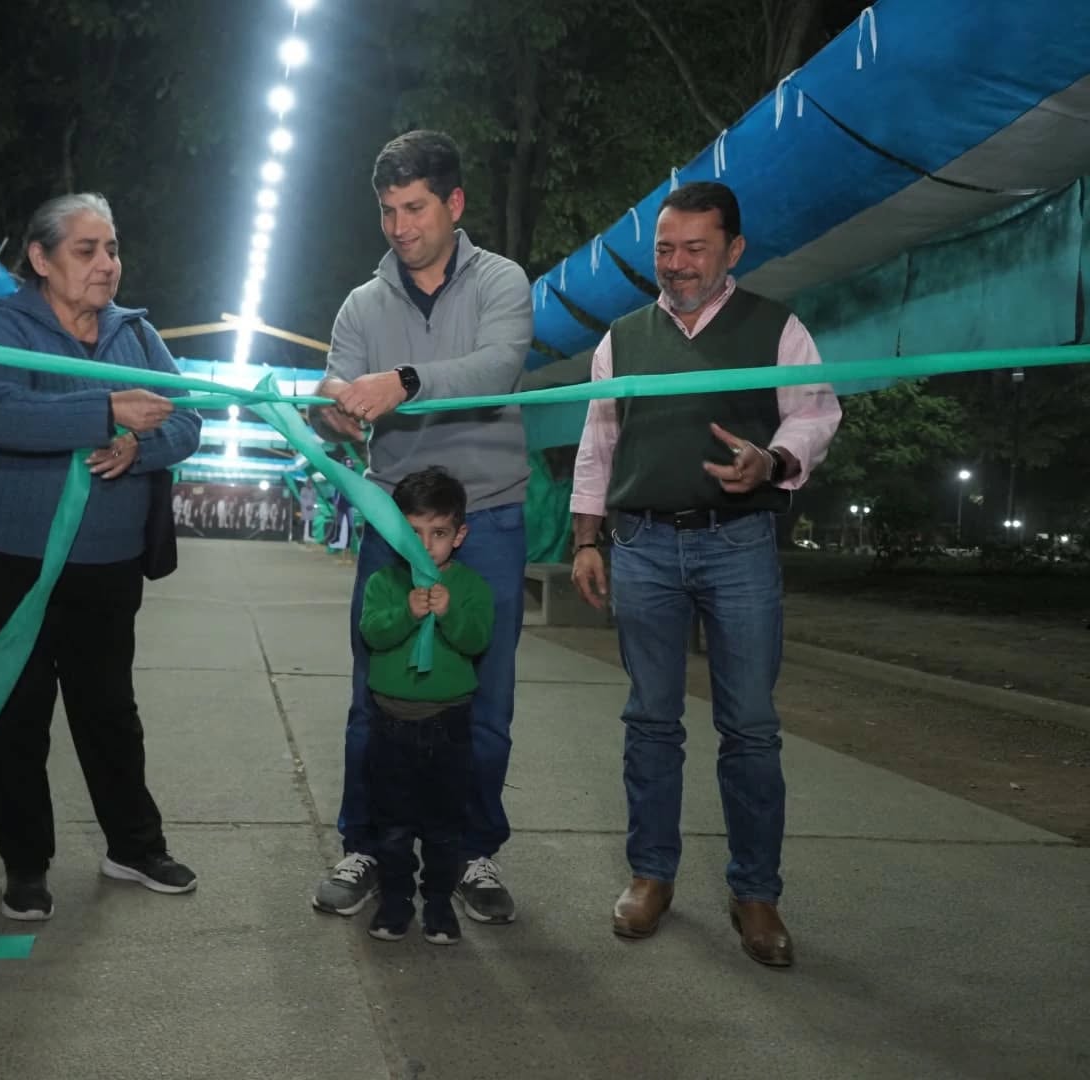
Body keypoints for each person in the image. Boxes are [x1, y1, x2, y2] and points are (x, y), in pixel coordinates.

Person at [569, 181, 841, 967]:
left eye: (695, 249)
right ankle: (650, 875)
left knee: (750, 727)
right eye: (665, 249)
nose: (678, 265)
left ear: (733, 250)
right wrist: (587, 539)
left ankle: (756, 893)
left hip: (738, 545)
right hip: (645, 546)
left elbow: (816, 414)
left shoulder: (777, 328)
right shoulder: (620, 338)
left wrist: (773, 459)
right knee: (650, 721)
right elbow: (599, 442)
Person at [0, 192, 203, 921]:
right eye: (86, 250)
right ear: (40, 259)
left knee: (108, 708)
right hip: (4, 560)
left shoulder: (137, 334)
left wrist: (139, 444)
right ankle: (26, 865)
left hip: (107, 563)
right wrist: (104, 410)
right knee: (13, 713)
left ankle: (134, 845)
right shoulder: (0, 328)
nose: (105, 265)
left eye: (112, 249)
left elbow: (189, 418)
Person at [310, 130, 533, 925]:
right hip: (390, 526)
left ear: (455, 203)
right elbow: (337, 394)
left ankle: (471, 853)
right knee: (376, 694)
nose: (400, 227)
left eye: (414, 208)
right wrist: (331, 415)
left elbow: (499, 365)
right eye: (387, 211)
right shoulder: (362, 305)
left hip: (492, 520)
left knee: (487, 698)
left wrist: (402, 381)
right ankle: (366, 842)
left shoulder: (503, 283)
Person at [359, 468, 494, 946]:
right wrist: (408, 612)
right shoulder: (382, 583)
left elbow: (477, 640)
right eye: (413, 532)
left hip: (449, 724)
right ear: (395, 531)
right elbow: (373, 633)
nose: (426, 544)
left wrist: (448, 611)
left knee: (444, 825)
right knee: (392, 824)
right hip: (390, 723)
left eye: (438, 533)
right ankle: (395, 902)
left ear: (459, 536)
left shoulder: (473, 587)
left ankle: (438, 904)